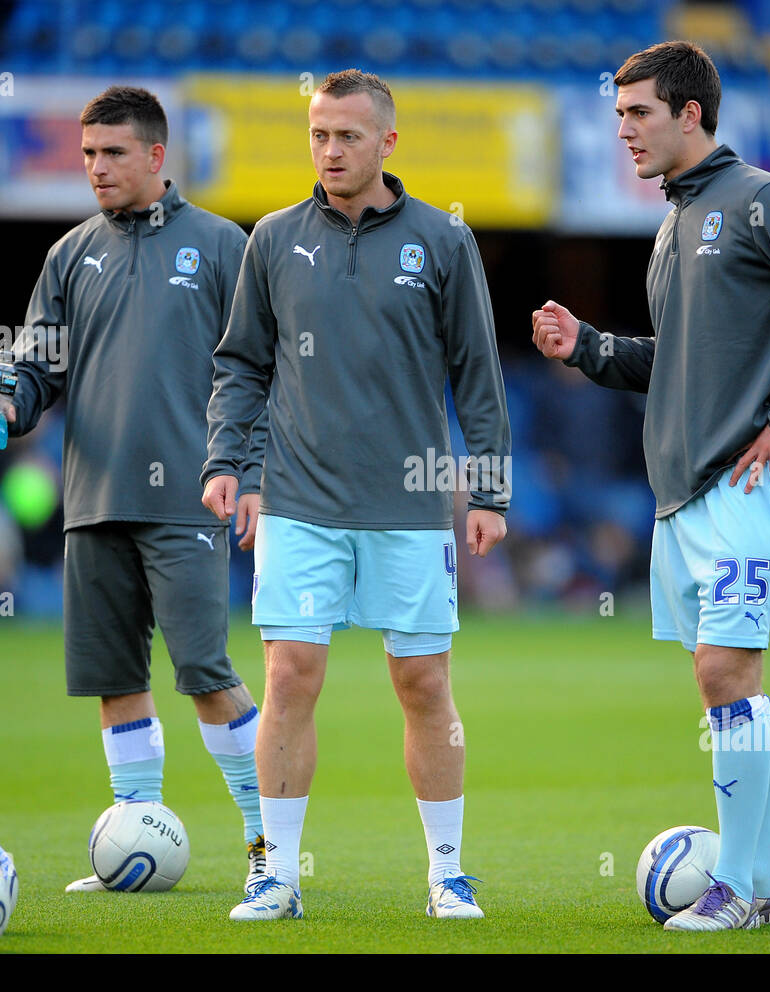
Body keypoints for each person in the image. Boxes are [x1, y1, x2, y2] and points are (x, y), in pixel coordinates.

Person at [532, 41, 770, 931]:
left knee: (728, 665)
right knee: (716, 675)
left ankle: (744, 888)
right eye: (617, 117)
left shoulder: (762, 200)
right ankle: (760, 889)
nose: (624, 132)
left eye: (638, 113)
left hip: (750, 478)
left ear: (691, 114)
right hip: (684, 491)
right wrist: (594, 350)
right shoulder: (672, 223)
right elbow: (678, 361)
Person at [201, 69, 511, 921]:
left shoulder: (444, 241)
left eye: (347, 135)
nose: (330, 150)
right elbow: (241, 366)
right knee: (290, 674)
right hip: (298, 500)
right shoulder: (270, 238)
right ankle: (275, 872)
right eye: (318, 135)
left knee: (422, 683)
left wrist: (488, 491)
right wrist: (230, 463)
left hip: (411, 505)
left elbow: (477, 374)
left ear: (387, 141)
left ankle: (447, 873)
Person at [0, 86, 269, 893]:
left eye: (113, 153)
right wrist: (5, 401)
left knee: (206, 670)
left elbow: (264, 373)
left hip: (188, 503)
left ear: (157, 157)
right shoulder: (69, 255)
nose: (95, 167)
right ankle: (136, 836)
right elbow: (36, 369)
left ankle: (267, 844)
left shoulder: (221, 245)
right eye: (88, 153)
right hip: (91, 502)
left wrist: (253, 474)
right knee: (115, 678)